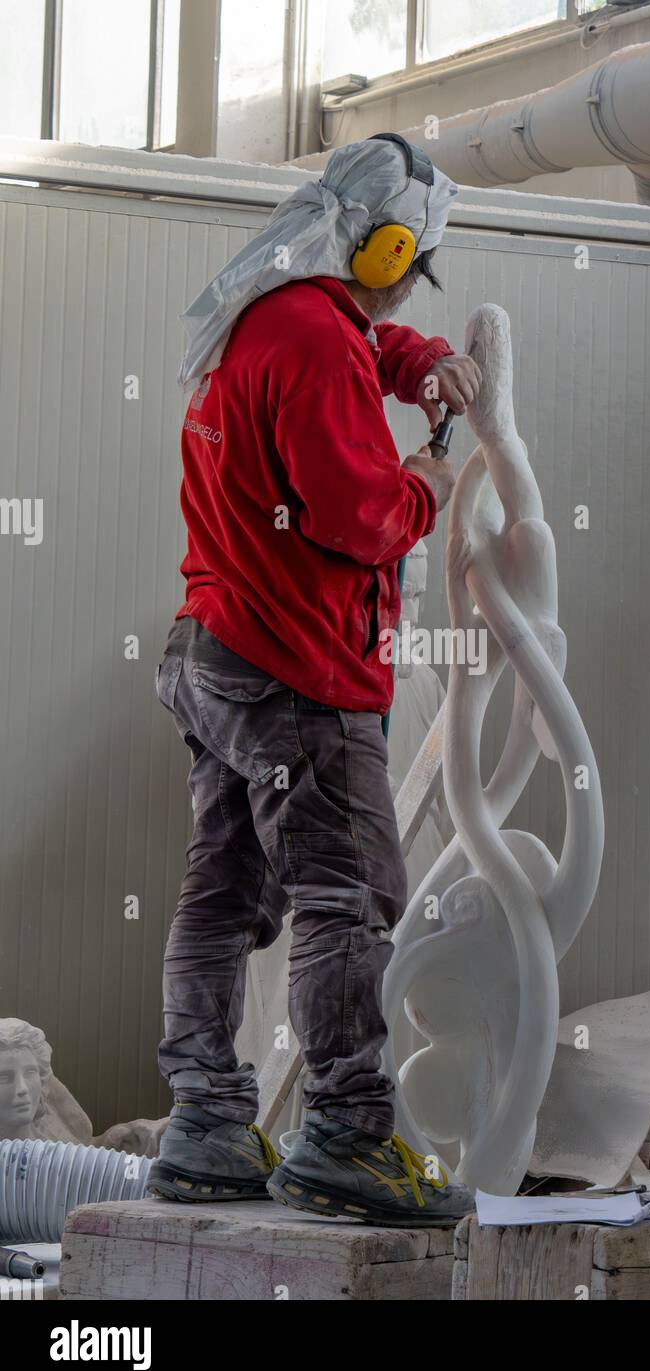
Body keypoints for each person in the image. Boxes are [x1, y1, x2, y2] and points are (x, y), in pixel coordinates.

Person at [148, 134, 480, 1226]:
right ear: (385, 243)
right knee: (350, 896)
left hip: (216, 652)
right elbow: (358, 516)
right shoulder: (312, 339)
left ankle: (204, 1123)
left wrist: (419, 359)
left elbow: (355, 346)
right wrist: (426, 480)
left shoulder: (263, 310)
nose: (403, 287)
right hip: (301, 675)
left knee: (223, 888)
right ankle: (344, 1135)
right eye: (406, 266)